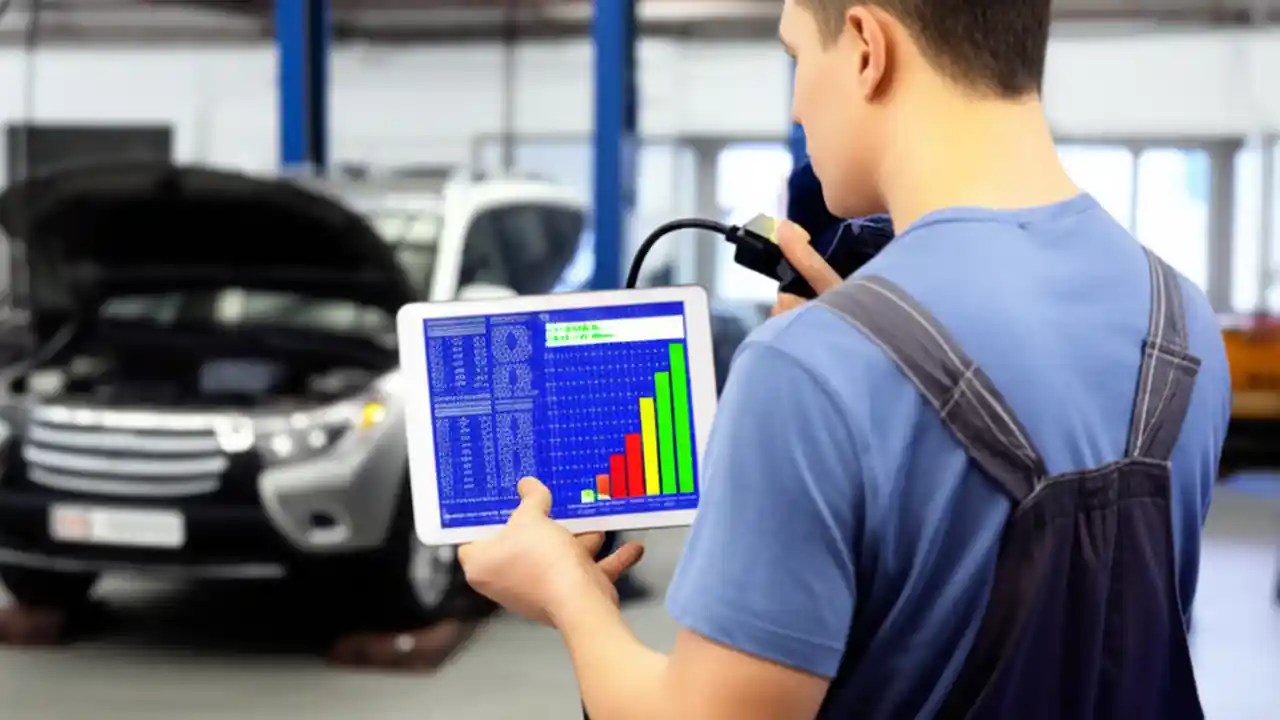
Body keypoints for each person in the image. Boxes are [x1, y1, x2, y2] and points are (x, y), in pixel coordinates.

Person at [457, 1, 1231, 718]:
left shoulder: (806, 369)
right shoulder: (1181, 319)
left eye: (797, 54)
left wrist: (567, 590)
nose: (798, 105)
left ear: (866, 47)